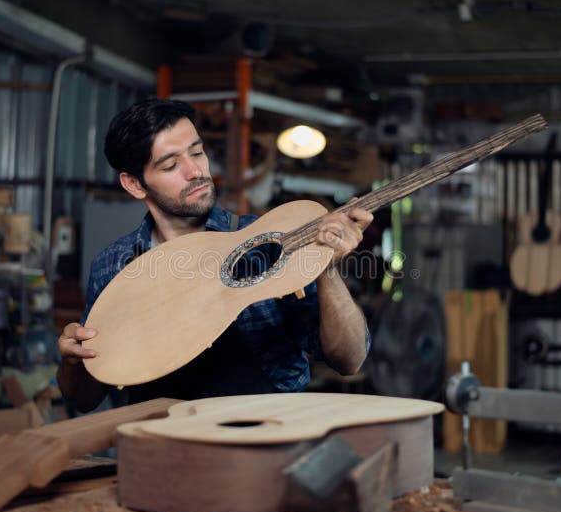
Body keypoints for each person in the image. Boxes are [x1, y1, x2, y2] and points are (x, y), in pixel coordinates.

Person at [57, 98, 373, 412]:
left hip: (270, 439)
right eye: (170, 165)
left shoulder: (267, 244)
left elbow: (349, 360)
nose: (195, 171)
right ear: (134, 184)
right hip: (163, 447)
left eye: (197, 152)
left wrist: (327, 269)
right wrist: (72, 361)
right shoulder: (114, 265)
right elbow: (83, 398)